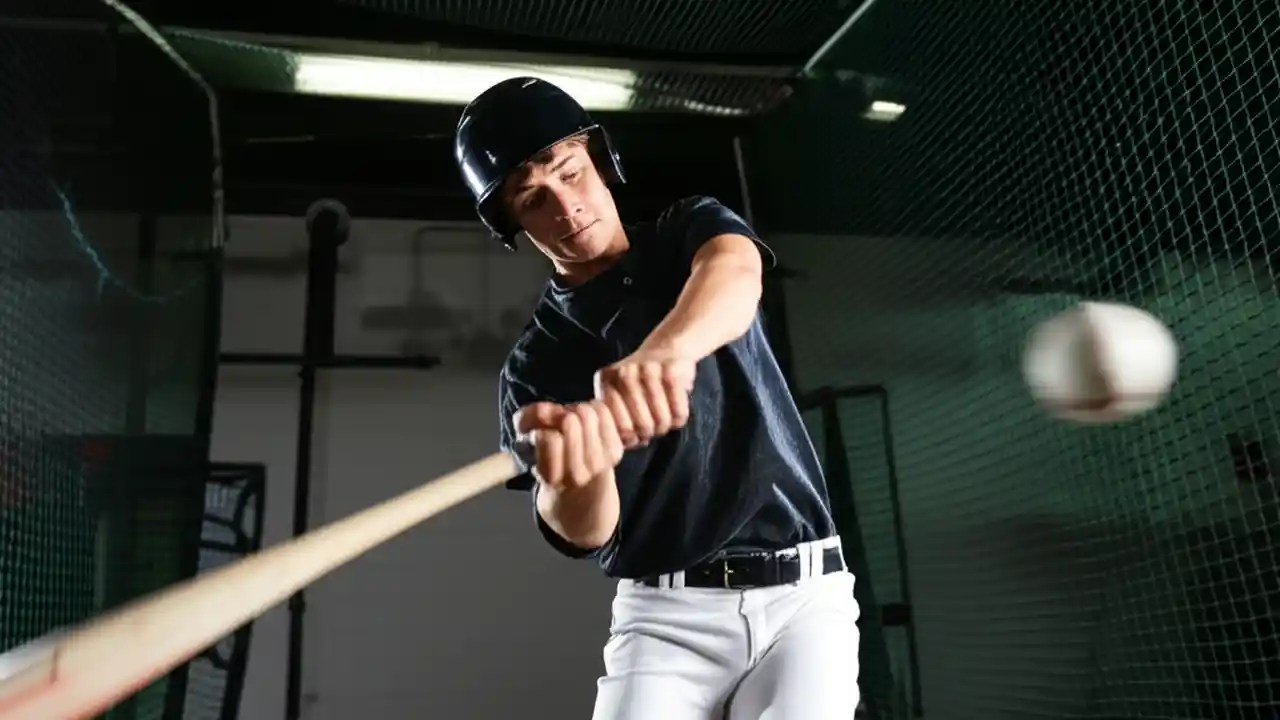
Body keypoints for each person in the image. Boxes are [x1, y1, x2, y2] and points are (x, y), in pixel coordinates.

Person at [453, 76, 861, 719]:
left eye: (569, 172)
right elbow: (584, 532)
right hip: (668, 616)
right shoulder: (536, 366)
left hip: (804, 594)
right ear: (514, 224)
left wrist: (665, 352)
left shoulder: (688, 232)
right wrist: (578, 476)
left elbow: (735, 274)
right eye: (533, 199)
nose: (564, 206)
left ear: (601, 160)